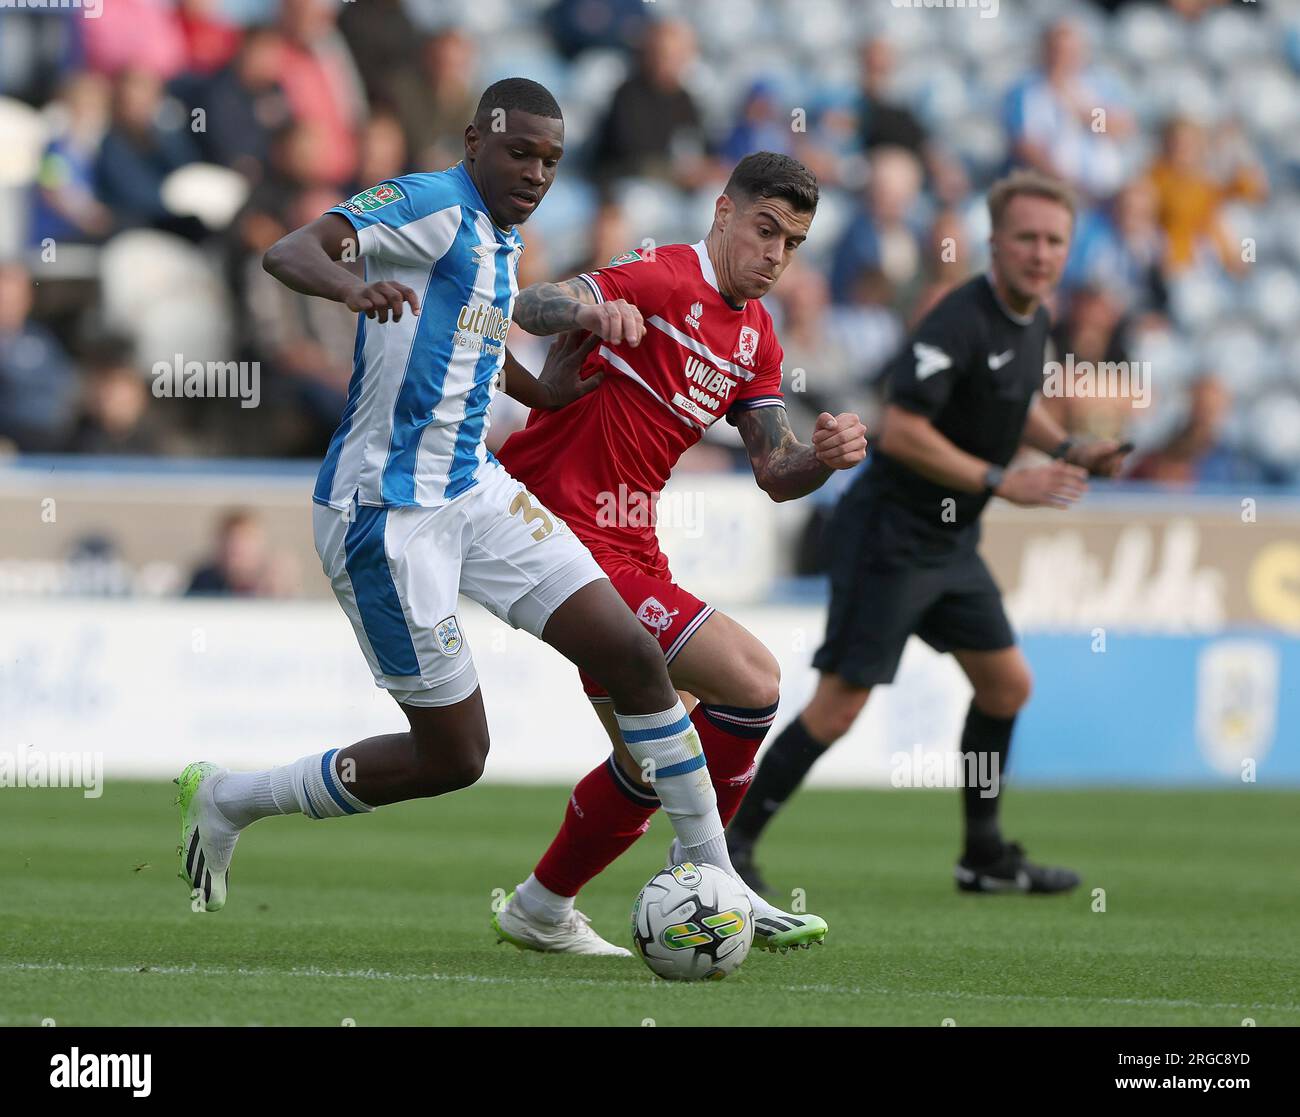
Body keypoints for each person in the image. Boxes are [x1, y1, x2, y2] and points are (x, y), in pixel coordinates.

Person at [173, 82, 780, 956]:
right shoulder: (428, 202)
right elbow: (289, 252)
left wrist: (548, 389)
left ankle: (714, 877)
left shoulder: (501, 238)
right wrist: (353, 290)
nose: (535, 173)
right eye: (520, 153)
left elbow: (477, 338)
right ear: (473, 142)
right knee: (454, 757)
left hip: (475, 490)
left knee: (634, 654)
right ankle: (231, 797)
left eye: (551, 161)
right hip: (384, 516)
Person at [490, 152, 867, 955]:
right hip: (561, 533)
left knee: (645, 759)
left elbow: (774, 470)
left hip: (632, 545)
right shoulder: (662, 274)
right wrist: (592, 313)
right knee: (753, 680)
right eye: (765, 229)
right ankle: (715, 876)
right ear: (724, 213)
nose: (774, 253)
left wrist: (823, 458)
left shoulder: (758, 337)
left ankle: (539, 906)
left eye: (793, 243)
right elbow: (533, 303)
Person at [728, 170, 1130, 896]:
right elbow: (904, 430)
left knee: (1007, 684)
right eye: (1027, 238)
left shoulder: (1033, 315)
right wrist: (1004, 481)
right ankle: (735, 842)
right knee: (840, 706)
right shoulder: (956, 319)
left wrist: (1067, 448)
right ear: (995, 244)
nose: (1041, 253)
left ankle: (983, 855)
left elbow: (1014, 400)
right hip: (890, 535)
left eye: (1054, 240)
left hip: (949, 544)